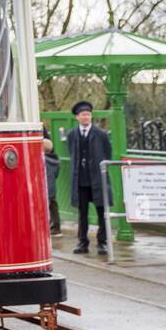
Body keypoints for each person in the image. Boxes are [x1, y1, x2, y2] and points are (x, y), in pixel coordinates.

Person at [67, 100, 112, 255]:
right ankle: (82, 242)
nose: (86, 117)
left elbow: (108, 153)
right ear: (77, 117)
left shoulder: (101, 134)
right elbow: (72, 154)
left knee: (101, 211)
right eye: (83, 115)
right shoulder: (72, 134)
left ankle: (102, 242)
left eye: (88, 114)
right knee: (82, 213)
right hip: (81, 180)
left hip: (97, 180)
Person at [43, 124, 61, 235]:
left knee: (48, 205)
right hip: (52, 186)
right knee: (53, 204)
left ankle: (51, 226)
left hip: (47, 187)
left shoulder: (45, 161)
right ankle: (56, 225)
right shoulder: (54, 160)